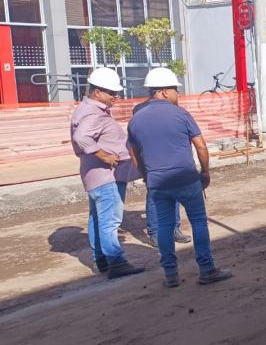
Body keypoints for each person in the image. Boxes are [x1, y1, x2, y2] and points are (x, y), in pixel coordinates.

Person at [128, 68, 232, 288]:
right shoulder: (181, 114)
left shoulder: (136, 118)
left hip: (157, 183)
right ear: (164, 91)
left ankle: (171, 275)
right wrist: (205, 171)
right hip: (186, 179)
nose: (178, 94)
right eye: (175, 90)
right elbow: (201, 146)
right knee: (198, 222)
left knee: (164, 226)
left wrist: (146, 176)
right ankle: (206, 269)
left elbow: (134, 153)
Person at [69, 67, 145, 279]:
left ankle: (101, 259)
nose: (115, 97)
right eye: (112, 93)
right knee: (110, 220)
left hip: (95, 175)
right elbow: (82, 138)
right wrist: (104, 155)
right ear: (97, 92)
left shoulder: (84, 109)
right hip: (106, 176)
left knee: (97, 218)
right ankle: (116, 262)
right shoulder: (93, 112)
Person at [132, 98, 192, 248]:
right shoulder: (140, 110)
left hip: (171, 160)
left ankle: (174, 229)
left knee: (175, 196)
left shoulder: (172, 107)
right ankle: (155, 232)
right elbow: (135, 143)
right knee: (154, 197)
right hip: (152, 162)